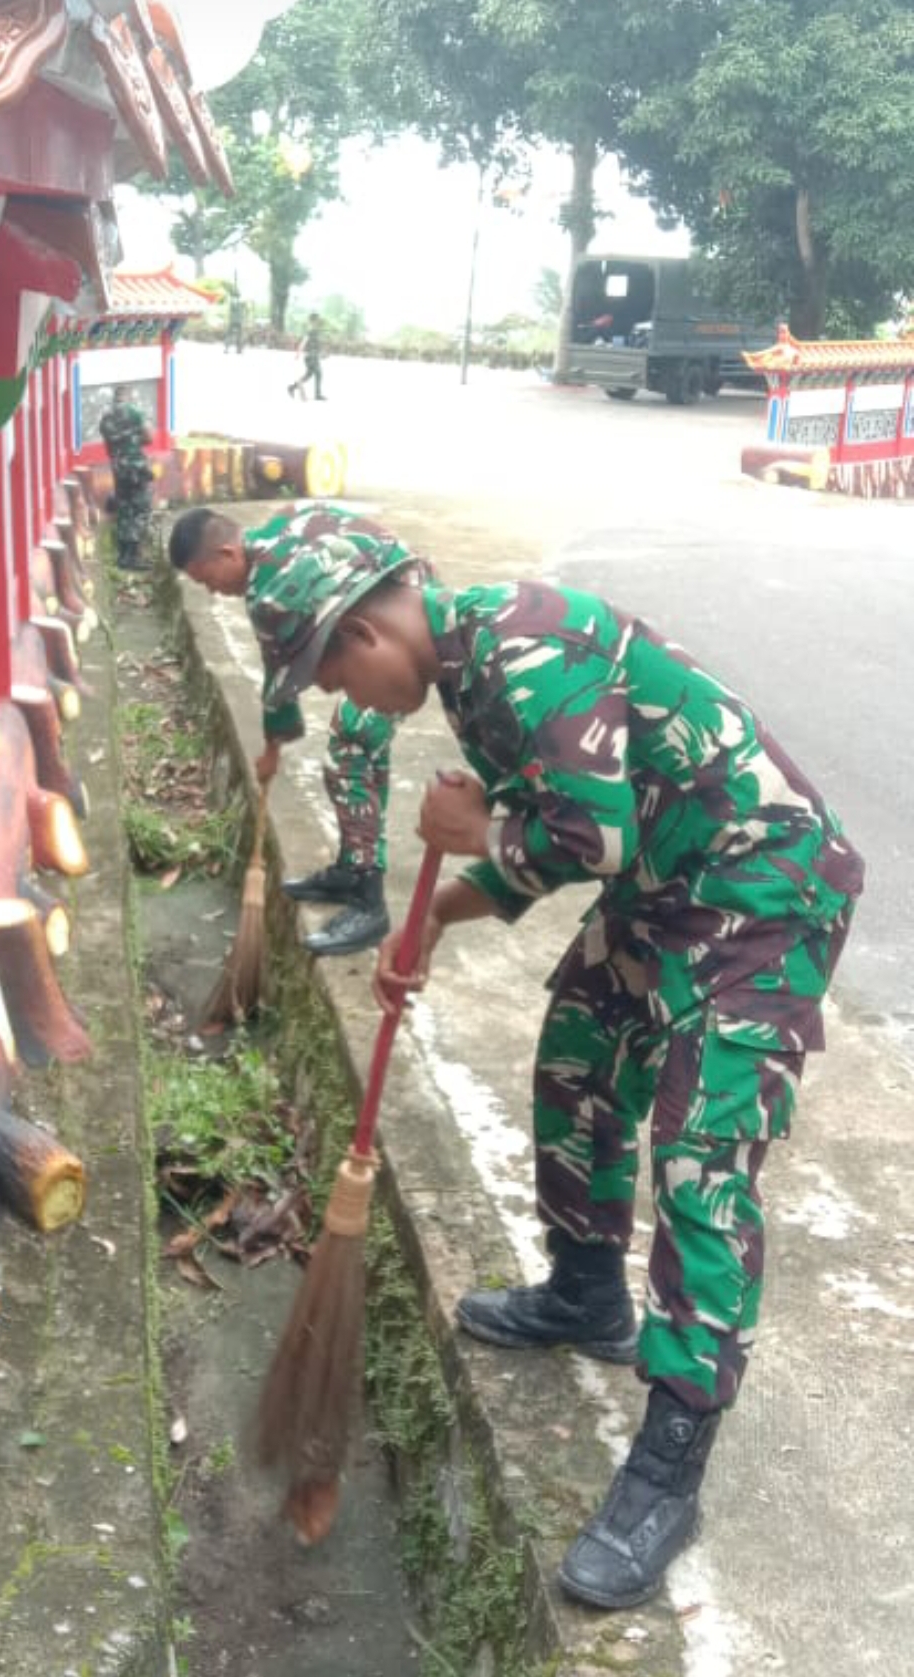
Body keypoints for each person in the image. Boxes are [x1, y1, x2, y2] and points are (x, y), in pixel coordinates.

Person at [246, 543, 864, 1609]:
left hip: (764, 888)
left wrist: (474, 830)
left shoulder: (522, 648)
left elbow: (590, 836)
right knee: (576, 1064)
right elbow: (551, 836)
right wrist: (430, 918)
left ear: (362, 635)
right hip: (672, 892)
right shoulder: (470, 670)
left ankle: (670, 1465)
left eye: (338, 678)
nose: (353, 701)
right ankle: (586, 1294)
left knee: (700, 1158)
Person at [168, 502, 429, 956]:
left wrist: (271, 750)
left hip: (405, 625)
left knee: (349, 748)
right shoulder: (277, 529)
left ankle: (370, 903)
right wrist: (274, 745)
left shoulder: (269, 593)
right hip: (396, 595)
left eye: (206, 579)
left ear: (228, 554)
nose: (211, 592)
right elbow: (281, 672)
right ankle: (354, 865)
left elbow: (279, 683)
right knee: (367, 746)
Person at [99, 386, 154, 570]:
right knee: (140, 509)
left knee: (123, 508)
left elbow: (108, 447)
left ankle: (122, 556)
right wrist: (135, 441)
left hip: (118, 468)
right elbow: (149, 437)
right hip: (136, 467)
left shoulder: (105, 418)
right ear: (127, 396)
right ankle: (133, 557)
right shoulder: (134, 413)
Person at [288, 313, 325, 400]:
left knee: (309, 375)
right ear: (312, 321)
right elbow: (304, 342)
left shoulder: (316, 331)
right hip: (310, 356)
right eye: (316, 320)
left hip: (314, 356)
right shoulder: (311, 331)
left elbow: (316, 345)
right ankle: (317, 395)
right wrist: (298, 353)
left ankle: (292, 388)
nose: (318, 321)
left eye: (318, 320)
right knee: (318, 374)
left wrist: (321, 354)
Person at [224, 289, 245, 354]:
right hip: (239, 321)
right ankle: (239, 349)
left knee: (229, 334)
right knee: (240, 335)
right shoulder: (241, 303)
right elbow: (243, 311)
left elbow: (232, 309)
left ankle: (227, 348)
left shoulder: (232, 302)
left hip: (232, 321)